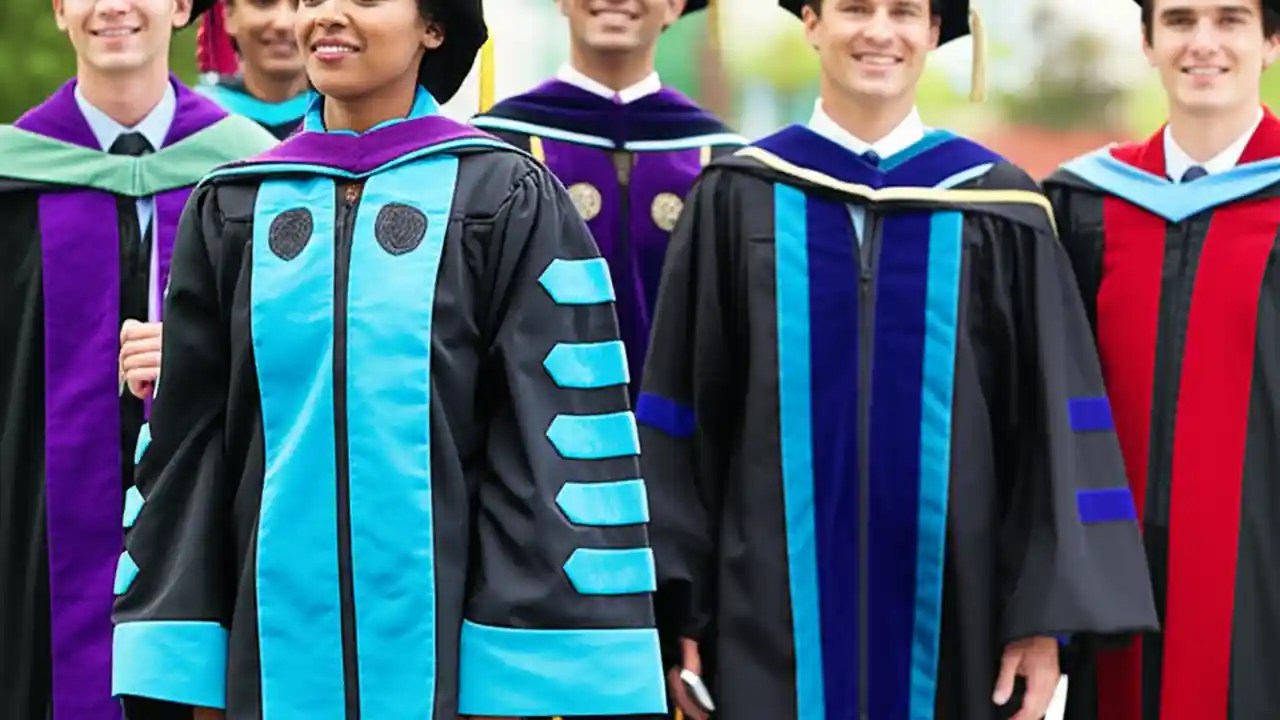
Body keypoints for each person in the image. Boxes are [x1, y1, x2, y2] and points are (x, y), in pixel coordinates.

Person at [109, 0, 669, 717]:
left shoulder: (503, 197)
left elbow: (548, 445)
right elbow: (190, 452)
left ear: (433, 27)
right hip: (266, 662)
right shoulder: (236, 206)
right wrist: (186, 665)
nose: (326, 17)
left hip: (458, 667)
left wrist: (514, 672)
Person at [635, 0, 1161, 718]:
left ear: (933, 32)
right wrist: (679, 612)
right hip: (763, 618)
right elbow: (681, 412)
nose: (879, 31)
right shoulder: (738, 196)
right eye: (855, 8)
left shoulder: (1000, 207)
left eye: (904, 12)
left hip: (957, 615)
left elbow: (1051, 431)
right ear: (813, 22)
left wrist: (1044, 624)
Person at [0, 0, 277, 717]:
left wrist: (214, 356)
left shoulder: (257, 175)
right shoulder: (9, 180)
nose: (113, 6)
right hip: (34, 542)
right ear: (60, 10)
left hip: (213, 534)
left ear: (182, 7)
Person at [1043, 0, 1280, 717]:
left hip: (1261, 584)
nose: (1202, 43)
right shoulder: (1087, 202)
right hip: (1114, 586)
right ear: (1147, 42)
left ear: (1270, 42)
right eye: (1179, 20)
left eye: (1230, 20)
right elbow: (1048, 409)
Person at [470, 0, 743, 400]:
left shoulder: (724, 164)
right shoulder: (496, 150)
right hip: (539, 441)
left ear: (673, 7)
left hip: (681, 445)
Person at [193, 0, 311, 139]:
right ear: (229, 15)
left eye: (305, 3)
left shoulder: (339, 120)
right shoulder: (193, 124)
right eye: (263, 2)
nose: (283, 23)